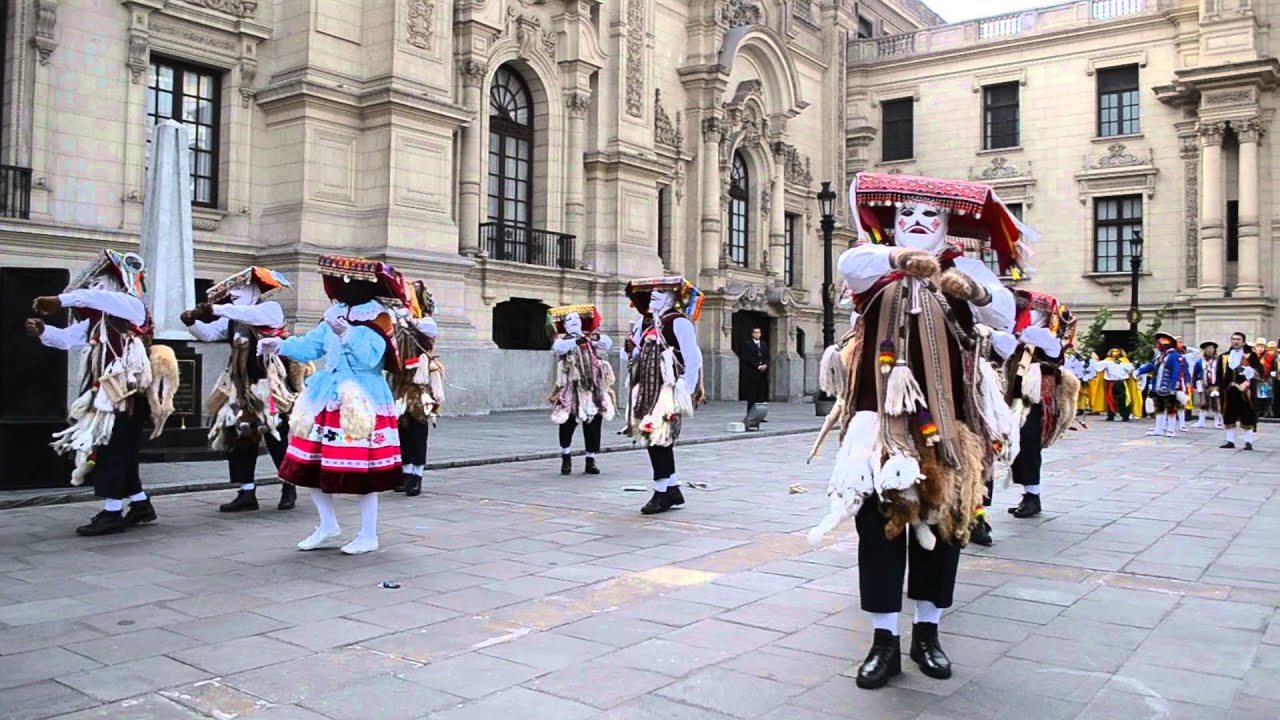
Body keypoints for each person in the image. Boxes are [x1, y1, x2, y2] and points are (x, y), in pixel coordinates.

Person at [810, 172, 1023, 690]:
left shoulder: (964, 266)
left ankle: (928, 632)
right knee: (879, 529)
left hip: (947, 424)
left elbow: (1004, 315)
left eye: (929, 216)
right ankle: (884, 642)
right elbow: (849, 267)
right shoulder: (872, 260)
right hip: (877, 421)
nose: (917, 222)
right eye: (906, 215)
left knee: (943, 525)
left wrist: (969, 289)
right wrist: (899, 259)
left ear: (947, 224)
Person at [259, 255, 404, 554]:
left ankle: (368, 534)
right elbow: (312, 346)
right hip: (326, 396)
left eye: (350, 282)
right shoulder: (333, 313)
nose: (343, 287)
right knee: (309, 465)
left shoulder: (380, 317)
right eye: (339, 280)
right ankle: (327, 525)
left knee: (363, 470)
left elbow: (371, 357)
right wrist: (281, 345)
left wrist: (348, 334)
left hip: (361, 398)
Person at [27, 250, 170, 536]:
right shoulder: (99, 321)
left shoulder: (131, 306)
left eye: (100, 281)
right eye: (93, 284)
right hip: (106, 395)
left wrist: (60, 300)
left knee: (113, 451)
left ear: (117, 284)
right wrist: (44, 331)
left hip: (127, 396)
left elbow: (97, 299)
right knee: (120, 453)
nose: (94, 287)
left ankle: (112, 512)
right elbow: (66, 339)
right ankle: (141, 505)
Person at [183, 266, 300, 513]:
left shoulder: (270, 310)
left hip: (270, 388)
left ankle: (289, 485)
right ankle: (246, 491)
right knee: (237, 437)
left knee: (276, 437)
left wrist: (215, 309)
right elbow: (208, 334)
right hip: (240, 388)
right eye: (232, 290)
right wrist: (191, 323)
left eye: (240, 288)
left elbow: (251, 316)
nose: (234, 293)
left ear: (255, 290)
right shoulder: (232, 319)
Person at [622, 276, 703, 515]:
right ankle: (673, 488)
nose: (655, 294)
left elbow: (693, 359)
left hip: (667, 390)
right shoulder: (644, 324)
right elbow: (631, 357)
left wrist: (685, 394)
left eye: (662, 291)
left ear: (673, 297)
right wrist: (629, 349)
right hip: (646, 388)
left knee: (659, 438)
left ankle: (661, 493)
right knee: (655, 439)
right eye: (653, 291)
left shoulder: (679, 323)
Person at [1004, 291, 1080, 520]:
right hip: (1016, 399)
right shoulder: (1019, 340)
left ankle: (1033, 495)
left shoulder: (1048, 340)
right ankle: (1028, 494)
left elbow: (1053, 354)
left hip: (1037, 402)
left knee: (1028, 444)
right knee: (1017, 446)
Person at [389, 279, 443, 497]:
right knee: (402, 427)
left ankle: (417, 475)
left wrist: (406, 317)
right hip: (401, 380)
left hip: (420, 383)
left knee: (418, 428)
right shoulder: (399, 320)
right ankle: (405, 472)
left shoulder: (427, 322)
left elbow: (421, 327)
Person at [548, 304, 615, 475]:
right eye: (569, 320)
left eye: (577, 319)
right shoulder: (562, 340)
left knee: (593, 422)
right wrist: (576, 341)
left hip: (591, 387)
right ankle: (566, 456)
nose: (574, 322)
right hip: (571, 386)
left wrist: (594, 337)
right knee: (567, 421)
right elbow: (558, 348)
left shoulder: (590, 337)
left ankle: (590, 459)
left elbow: (607, 343)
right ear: (565, 324)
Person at [1217, 331, 1262, 451]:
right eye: (1234, 339)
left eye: (1238, 339)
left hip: (1245, 390)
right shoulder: (1223, 357)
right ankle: (1230, 441)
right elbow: (1219, 374)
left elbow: (1259, 372)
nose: (1236, 341)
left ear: (1243, 342)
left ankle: (1248, 442)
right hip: (1228, 390)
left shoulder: (1250, 356)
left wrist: (1248, 380)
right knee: (1228, 414)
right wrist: (1218, 388)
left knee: (1247, 414)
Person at [1134, 333, 1184, 439]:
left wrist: (1173, 386)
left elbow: (1176, 372)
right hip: (1157, 386)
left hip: (1168, 386)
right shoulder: (1159, 356)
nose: (1159, 344)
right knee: (1159, 408)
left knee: (1170, 408)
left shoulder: (1174, 356)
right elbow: (1151, 366)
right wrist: (1139, 370)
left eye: (1161, 342)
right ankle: (1159, 429)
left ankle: (1171, 429)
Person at [1096, 349, 1139, 421]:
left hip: (1120, 382)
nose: (1115, 356)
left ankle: (1125, 416)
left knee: (1123, 399)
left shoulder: (1124, 362)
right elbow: (1098, 368)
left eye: (1116, 354)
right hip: (1111, 382)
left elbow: (1131, 368)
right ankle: (1111, 415)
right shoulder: (1107, 362)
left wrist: (1133, 364)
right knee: (1110, 399)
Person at [741, 327, 769, 420]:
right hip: (752, 373)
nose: (757, 334)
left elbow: (767, 356)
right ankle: (750, 415)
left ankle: (760, 415)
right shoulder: (748, 344)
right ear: (752, 334)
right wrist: (757, 366)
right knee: (752, 395)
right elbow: (747, 358)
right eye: (755, 332)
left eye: (758, 333)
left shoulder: (764, 344)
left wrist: (766, 365)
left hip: (762, 374)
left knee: (761, 395)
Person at [1193, 341, 1222, 428]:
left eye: (1212, 348)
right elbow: (1195, 374)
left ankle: (1218, 422)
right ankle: (1201, 421)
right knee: (1203, 403)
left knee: (1216, 404)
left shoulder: (1218, 361)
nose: (1210, 350)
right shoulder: (1199, 362)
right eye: (1208, 348)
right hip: (1204, 385)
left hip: (1216, 386)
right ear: (1204, 350)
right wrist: (1195, 385)